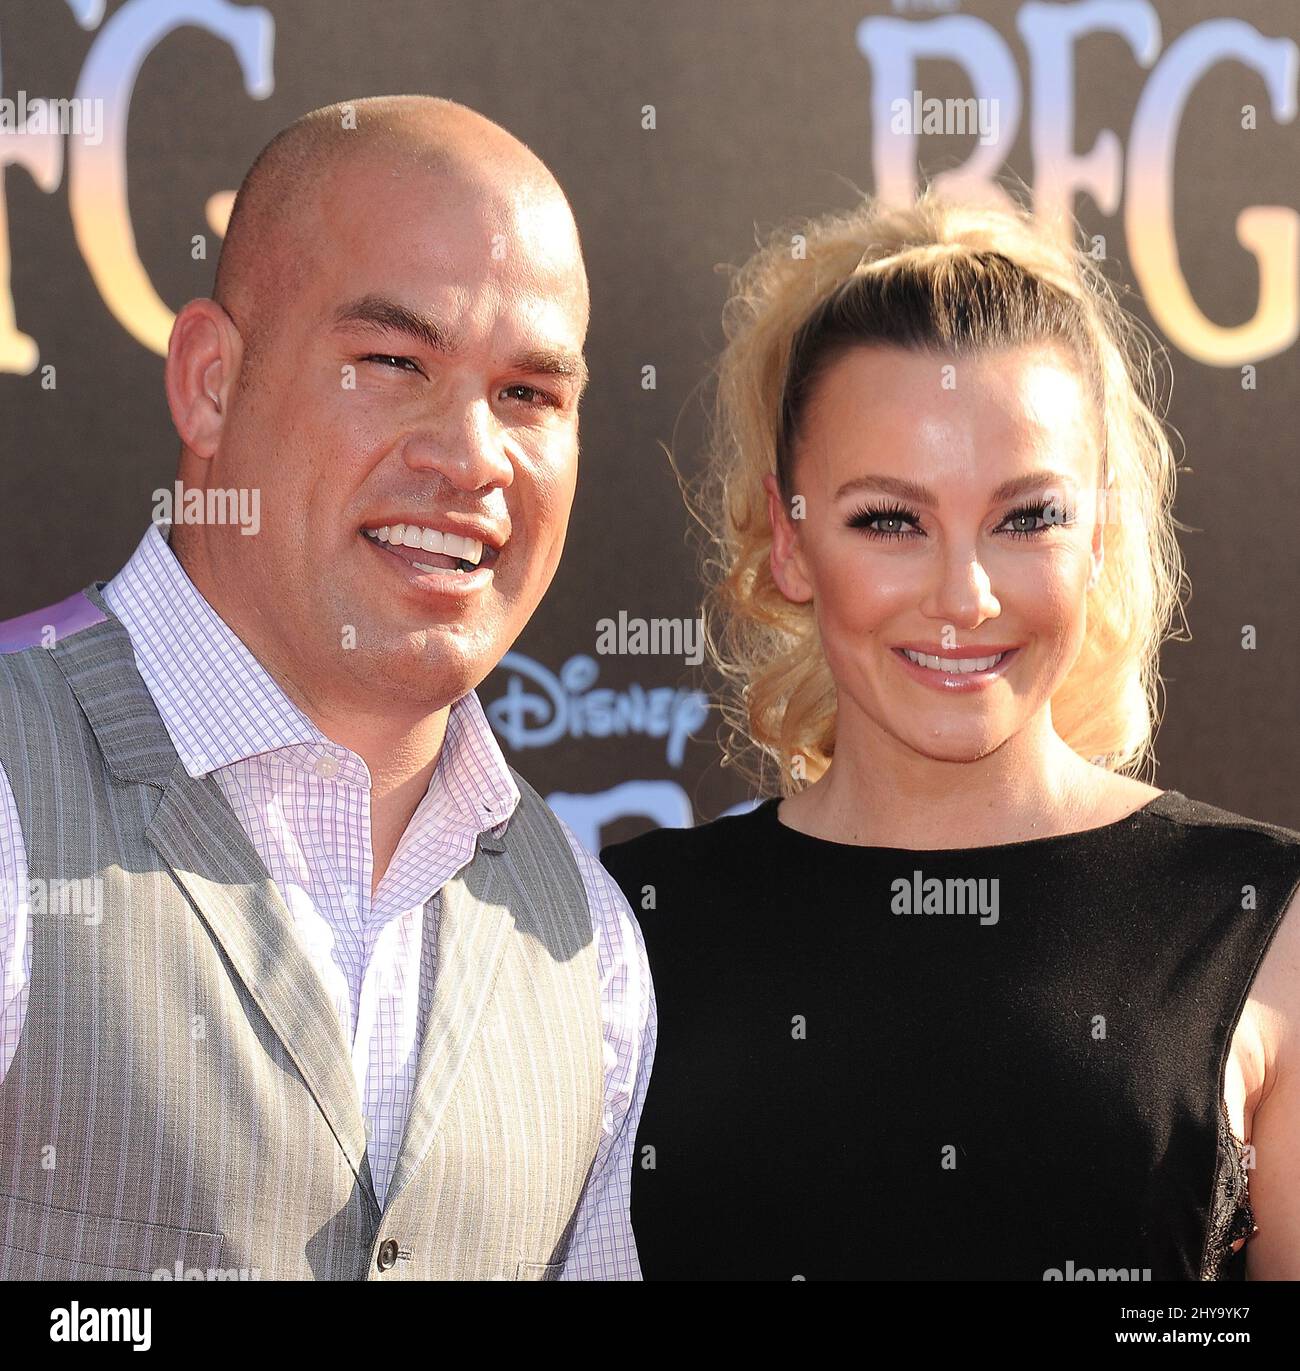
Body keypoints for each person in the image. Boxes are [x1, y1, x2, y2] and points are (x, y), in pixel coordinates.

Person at [0, 95, 653, 1281]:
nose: (470, 457)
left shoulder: (588, 944)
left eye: (529, 395)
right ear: (208, 382)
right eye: (393, 362)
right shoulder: (8, 798)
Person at [599, 189, 1300, 1281]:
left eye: (1027, 518)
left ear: (1100, 533)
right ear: (789, 544)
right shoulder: (625, 933)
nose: (963, 596)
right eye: (890, 520)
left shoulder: (1262, 922)